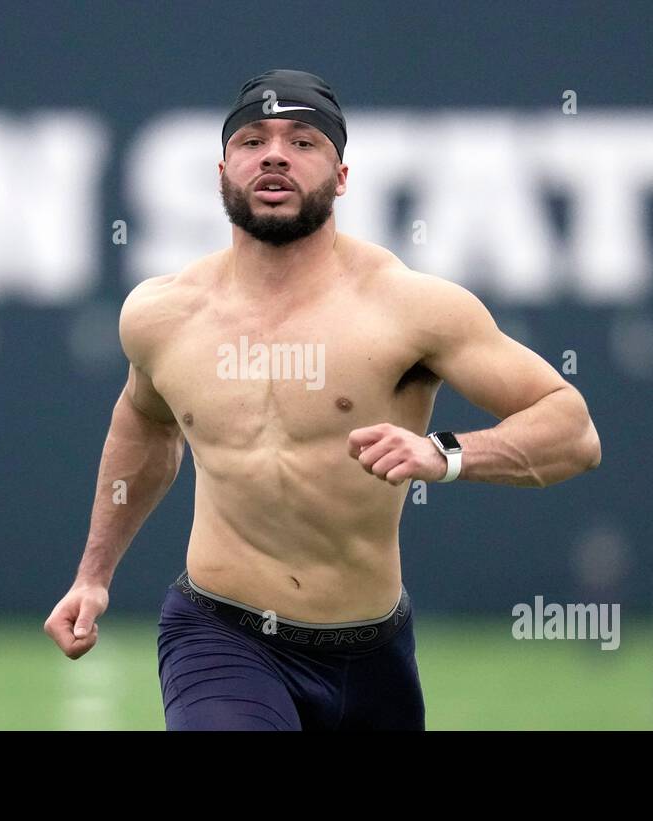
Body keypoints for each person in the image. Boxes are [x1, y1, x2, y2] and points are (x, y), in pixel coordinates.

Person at [44, 69, 602, 730]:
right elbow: (145, 424)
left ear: (341, 177)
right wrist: (93, 573)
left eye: (303, 141)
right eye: (253, 140)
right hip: (222, 634)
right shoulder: (163, 314)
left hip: (372, 653)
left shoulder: (409, 307)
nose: (275, 153)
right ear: (223, 171)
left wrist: (443, 453)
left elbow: (572, 429)